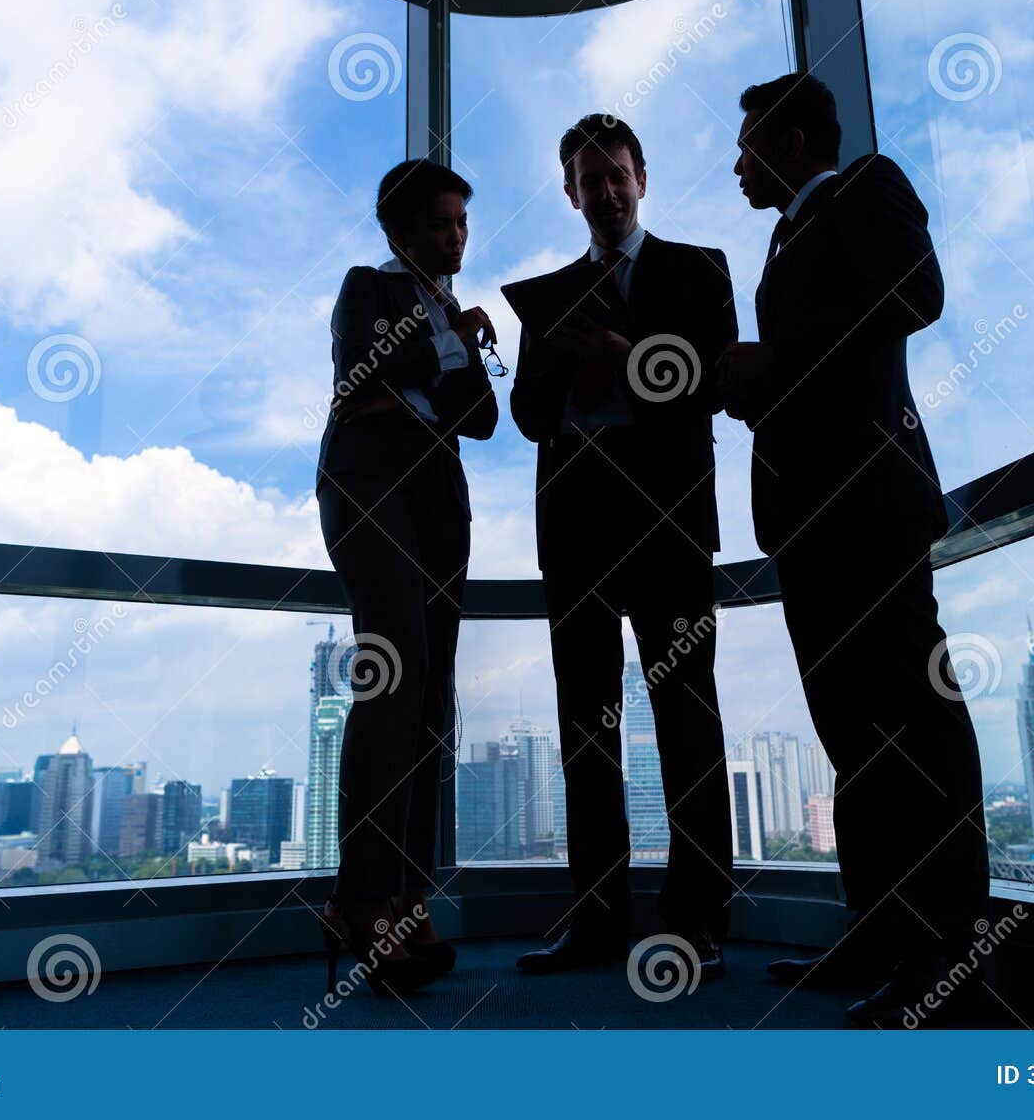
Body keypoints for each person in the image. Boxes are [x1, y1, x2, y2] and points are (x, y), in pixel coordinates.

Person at [717, 73, 991, 1024]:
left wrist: (772, 361)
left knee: (913, 723)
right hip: (810, 514)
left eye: (748, 143)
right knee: (854, 734)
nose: (735, 162)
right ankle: (882, 931)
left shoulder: (864, 184)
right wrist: (746, 380)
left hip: (868, 501)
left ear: (793, 142)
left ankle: (949, 953)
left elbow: (915, 294)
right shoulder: (786, 233)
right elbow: (813, 366)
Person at [510, 114, 735, 977]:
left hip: (669, 525)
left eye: (617, 174)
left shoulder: (697, 269)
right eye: (588, 179)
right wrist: (573, 369)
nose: (605, 190)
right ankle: (597, 920)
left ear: (642, 177)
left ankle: (697, 921)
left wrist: (624, 355)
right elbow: (530, 418)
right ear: (570, 194)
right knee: (585, 729)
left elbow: (715, 381)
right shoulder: (548, 296)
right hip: (575, 533)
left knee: (688, 719)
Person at [314, 158, 500, 996]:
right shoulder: (368, 285)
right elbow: (362, 369)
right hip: (368, 483)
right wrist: (448, 347)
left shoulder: (448, 310)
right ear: (398, 232)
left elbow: (484, 418)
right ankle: (361, 895)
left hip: (437, 497)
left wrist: (414, 372)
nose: (455, 238)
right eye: (438, 226)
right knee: (397, 670)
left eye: (461, 223)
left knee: (432, 694)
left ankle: (406, 890)